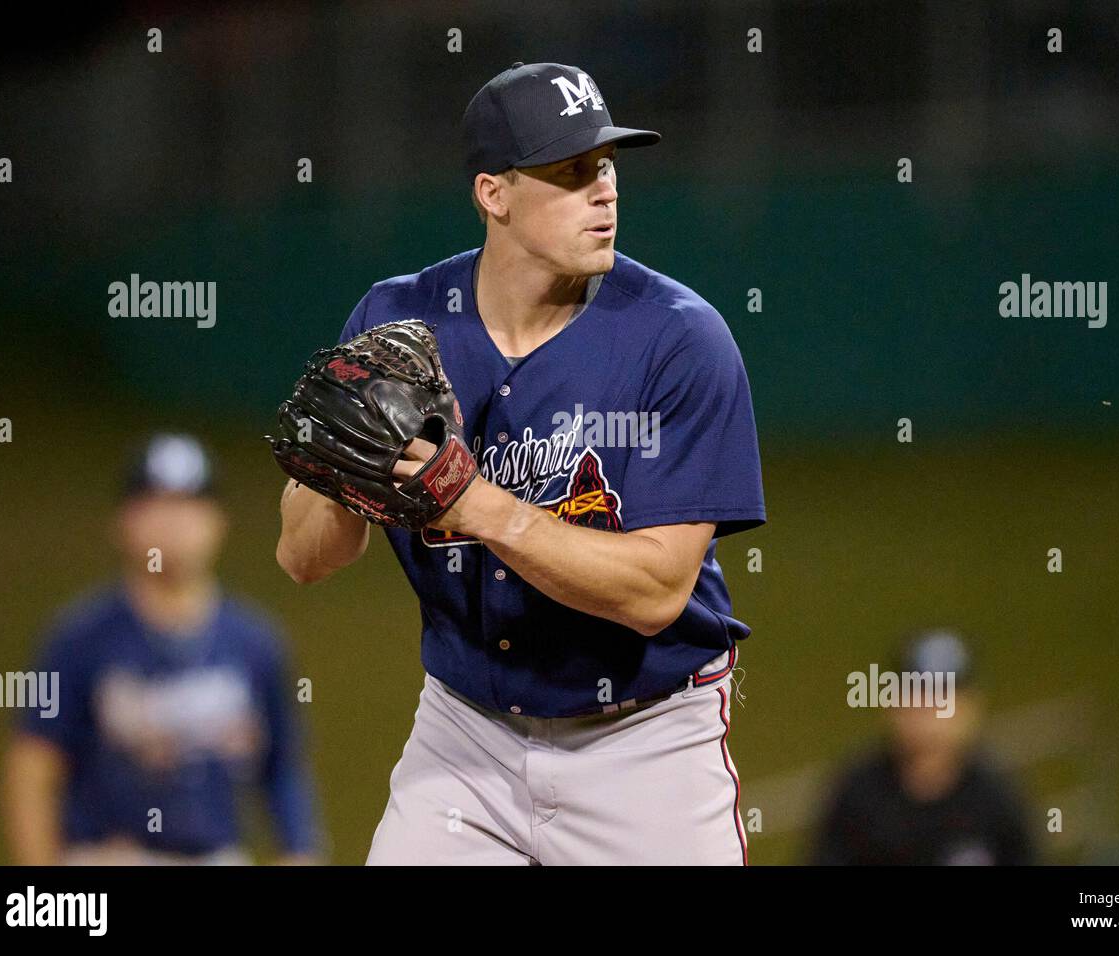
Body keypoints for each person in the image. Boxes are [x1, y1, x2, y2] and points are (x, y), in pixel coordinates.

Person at [276, 62, 766, 865]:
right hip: (464, 738)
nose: (605, 191)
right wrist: (345, 481)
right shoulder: (396, 320)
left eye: (606, 166)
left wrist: (477, 506)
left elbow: (655, 593)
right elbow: (302, 560)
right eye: (571, 172)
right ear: (493, 194)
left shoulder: (678, 339)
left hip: (645, 745)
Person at [4, 434, 324, 865]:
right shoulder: (79, 639)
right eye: (154, 504)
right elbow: (32, 770)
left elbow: (282, 768)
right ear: (123, 521)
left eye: (189, 505)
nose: (172, 522)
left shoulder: (254, 642)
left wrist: (300, 852)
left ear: (218, 522)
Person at [813, 630, 1034, 865]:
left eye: (944, 698)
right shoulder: (858, 793)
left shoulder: (995, 797)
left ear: (971, 707)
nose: (928, 713)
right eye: (917, 696)